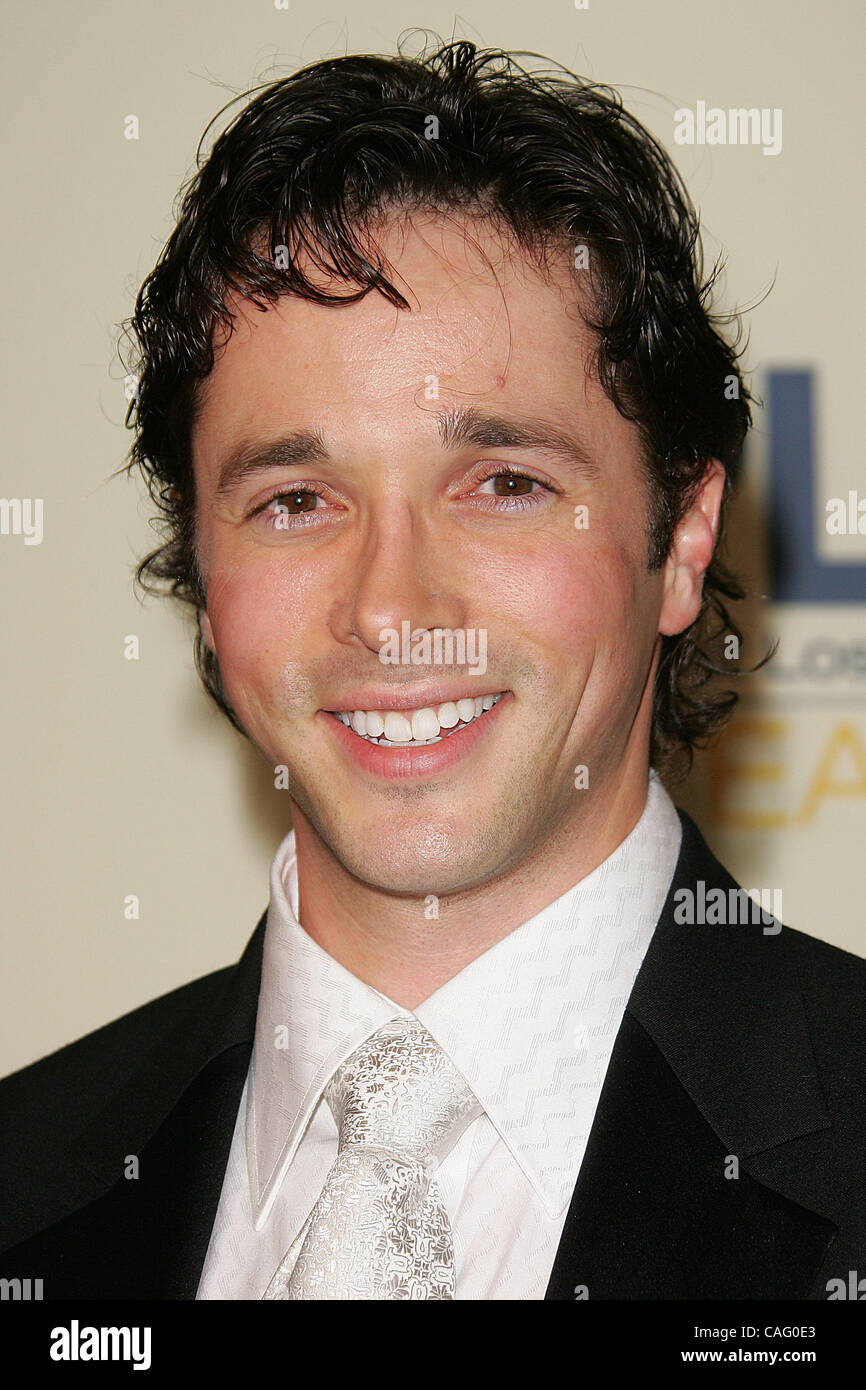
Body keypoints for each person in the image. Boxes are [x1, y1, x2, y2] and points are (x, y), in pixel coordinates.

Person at [1, 40, 863, 1301]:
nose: (391, 611)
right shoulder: (26, 1180)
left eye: (503, 485)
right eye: (296, 499)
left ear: (678, 540)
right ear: (199, 571)